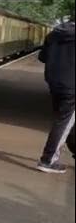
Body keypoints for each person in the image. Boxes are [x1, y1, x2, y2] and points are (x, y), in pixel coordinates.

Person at [36, 16, 75, 174]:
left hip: (55, 83)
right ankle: (47, 160)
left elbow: (42, 57)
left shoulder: (54, 33)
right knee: (64, 122)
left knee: (67, 121)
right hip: (72, 86)